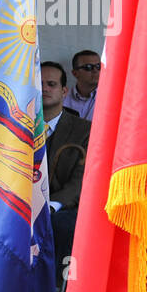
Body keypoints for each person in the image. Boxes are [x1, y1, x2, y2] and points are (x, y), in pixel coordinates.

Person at [41, 60, 91, 280]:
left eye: (51, 84)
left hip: (63, 208)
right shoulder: (14, 126)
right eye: (38, 83)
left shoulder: (85, 130)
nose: (44, 88)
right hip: (20, 204)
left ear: (64, 92)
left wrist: (51, 206)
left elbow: (82, 180)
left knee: (60, 226)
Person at [64, 49, 100, 121]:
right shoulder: (63, 98)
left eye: (99, 66)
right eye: (88, 67)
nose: (95, 70)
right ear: (75, 73)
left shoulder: (112, 98)